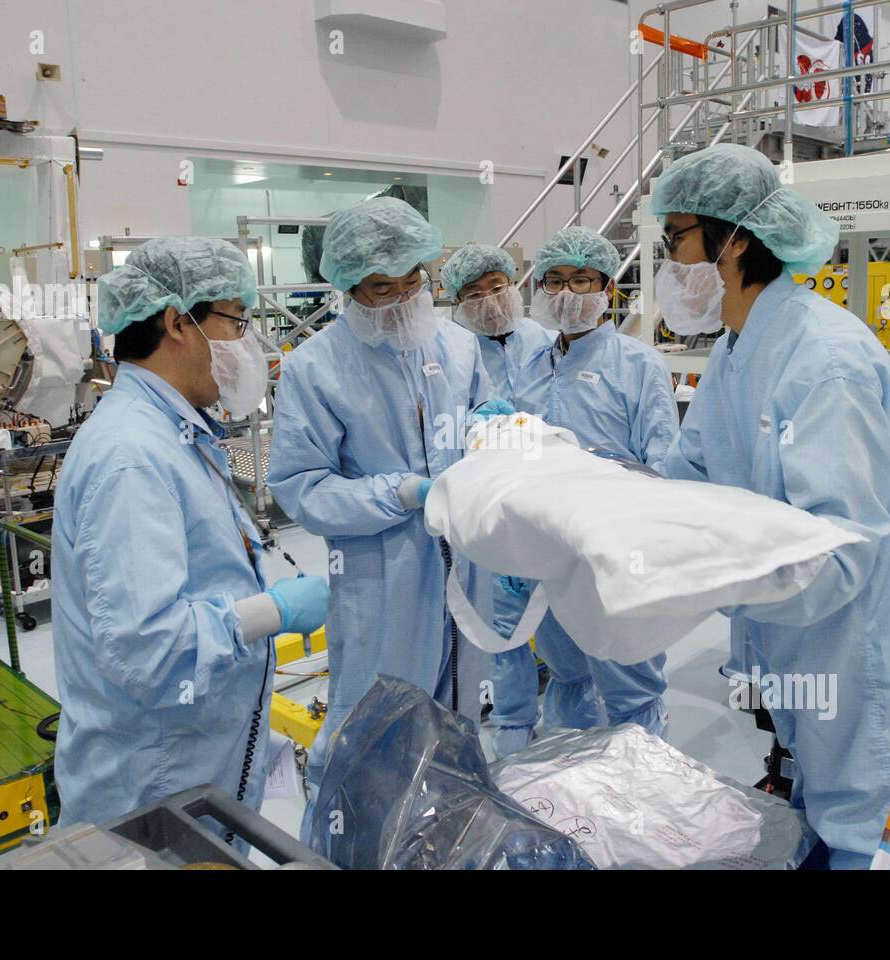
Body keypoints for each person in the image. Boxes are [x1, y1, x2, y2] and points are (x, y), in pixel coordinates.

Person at [651, 142, 890, 869]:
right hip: (803, 663)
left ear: (732, 240)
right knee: (823, 824)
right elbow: (686, 477)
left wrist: (710, 575)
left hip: (869, 673)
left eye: (675, 240)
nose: (669, 262)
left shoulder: (825, 360)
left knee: (878, 844)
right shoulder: (736, 352)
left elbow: (840, 556)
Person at [52, 236, 330, 828]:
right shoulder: (131, 457)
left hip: (191, 762)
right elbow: (146, 649)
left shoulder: (172, 430)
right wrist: (272, 613)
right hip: (155, 784)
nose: (248, 344)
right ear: (179, 323)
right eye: (237, 322)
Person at [265, 198, 508, 825]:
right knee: (369, 730)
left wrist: (495, 435)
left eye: (413, 282)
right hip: (383, 575)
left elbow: (482, 430)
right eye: (382, 287)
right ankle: (348, 840)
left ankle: (448, 834)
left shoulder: (456, 346)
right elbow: (301, 486)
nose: (403, 299)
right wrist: (399, 492)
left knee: (458, 715)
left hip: (466, 568)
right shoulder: (316, 367)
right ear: (348, 285)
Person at [511, 226, 678, 744]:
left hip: (616, 550)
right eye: (554, 281)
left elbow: (664, 464)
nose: (566, 293)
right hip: (551, 550)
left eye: (581, 281)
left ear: (606, 287)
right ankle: (572, 781)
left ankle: (645, 787)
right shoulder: (532, 367)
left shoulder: (638, 364)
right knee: (566, 669)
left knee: (630, 678)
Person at [441, 243, 555, 756]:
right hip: (490, 509)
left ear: (517, 284)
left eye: (497, 287)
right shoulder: (452, 355)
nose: (488, 302)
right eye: (473, 294)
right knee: (502, 624)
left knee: (564, 622)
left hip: (552, 504)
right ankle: (513, 722)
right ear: (455, 303)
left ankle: (570, 713)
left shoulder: (550, 343)